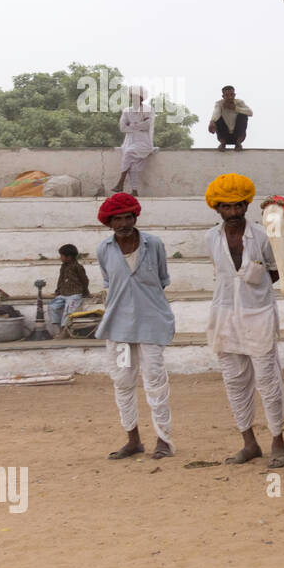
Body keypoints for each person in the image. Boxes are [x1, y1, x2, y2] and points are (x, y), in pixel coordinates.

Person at [204, 173, 284, 469]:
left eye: (238, 206)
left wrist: (255, 278)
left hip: (258, 314)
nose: (232, 212)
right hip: (225, 316)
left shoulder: (263, 236)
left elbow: (277, 270)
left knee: (268, 381)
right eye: (226, 207)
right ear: (217, 208)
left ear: (246, 206)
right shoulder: (210, 238)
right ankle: (249, 443)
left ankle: (278, 440)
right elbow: (221, 273)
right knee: (235, 382)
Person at [96, 193, 177, 460]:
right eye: (117, 219)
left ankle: (163, 440)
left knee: (155, 380)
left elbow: (162, 280)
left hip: (151, 324)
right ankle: (133, 440)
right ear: (109, 223)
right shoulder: (104, 250)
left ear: (135, 217)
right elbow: (110, 283)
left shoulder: (154, 245)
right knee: (122, 382)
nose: (123, 223)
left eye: (128, 217)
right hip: (118, 328)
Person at [113, 86, 155, 195]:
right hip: (129, 141)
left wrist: (131, 124)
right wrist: (138, 124)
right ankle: (134, 190)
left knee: (128, 153)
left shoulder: (148, 109)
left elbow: (147, 126)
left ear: (142, 98)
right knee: (133, 166)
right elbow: (122, 127)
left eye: (137, 96)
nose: (135, 99)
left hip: (144, 142)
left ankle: (120, 182)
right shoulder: (127, 111)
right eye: (133, 96)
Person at [49, 244, 90, 337]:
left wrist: (85, 292)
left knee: (68, 311)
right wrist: (57, 291)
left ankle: (65, 331)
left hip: (75, 294)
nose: (60, 258)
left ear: (69, 257)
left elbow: (84, 280)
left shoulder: (78, 267)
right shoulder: (63, 266)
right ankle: (58, 329)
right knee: (52, 307)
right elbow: (61, 279)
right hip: (63, 293)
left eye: (61, 256)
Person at [210, 85, 252, 151]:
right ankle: (223, 143)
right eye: (227, 95)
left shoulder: (239, 102)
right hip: (224, 135)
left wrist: (235, 108)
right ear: (223, 96)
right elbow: (216, 112)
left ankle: (238, 143)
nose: (230, 97)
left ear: (234, 95)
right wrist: (212, 121)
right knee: (217, 118)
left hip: (238, 135)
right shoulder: (219, 103)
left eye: (231, 94)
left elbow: (250, 112)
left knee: (243, 115)